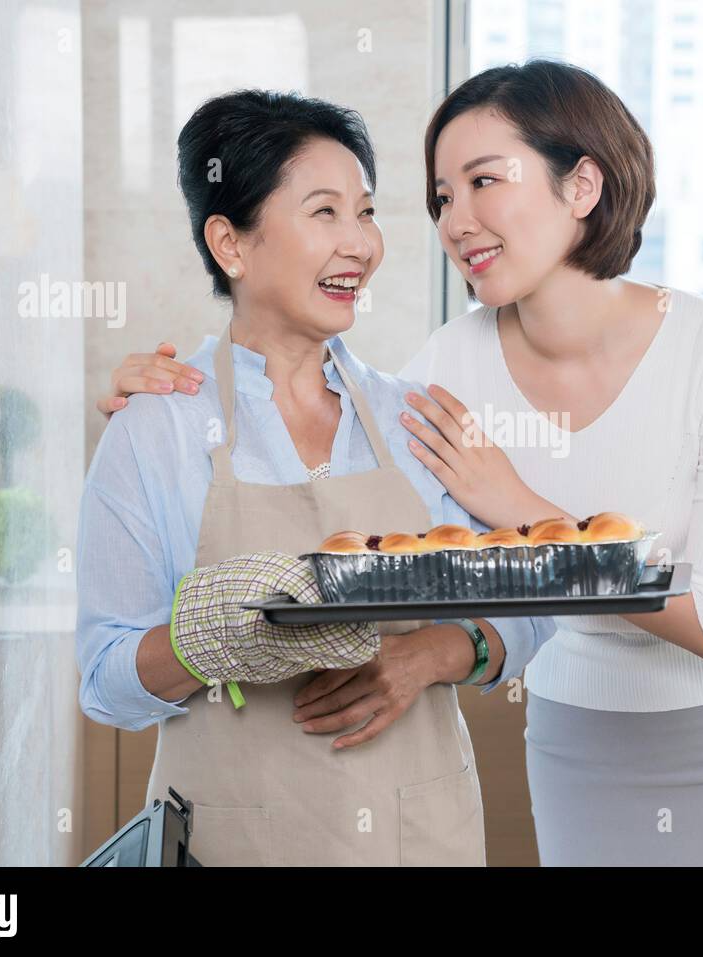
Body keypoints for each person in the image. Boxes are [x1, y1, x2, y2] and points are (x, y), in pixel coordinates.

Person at [98, 61, 703, 866]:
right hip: (571, 725)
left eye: (484, 183)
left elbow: (694, 617)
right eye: (442, 197)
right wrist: (156, 402)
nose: (453, 221)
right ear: (228, 242)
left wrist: (480, 574)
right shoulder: (440, 373)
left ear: (581, 186)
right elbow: (110, 671)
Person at [75, 90, 551, 867]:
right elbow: (104, 682)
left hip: (419, 840)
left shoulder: (414, 417)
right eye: (324, 212)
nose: (359, 244)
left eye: (365, 212)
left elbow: (535, 602)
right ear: (231, 244)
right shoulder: (156, 428)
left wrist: (428, 654)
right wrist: (206, 642)